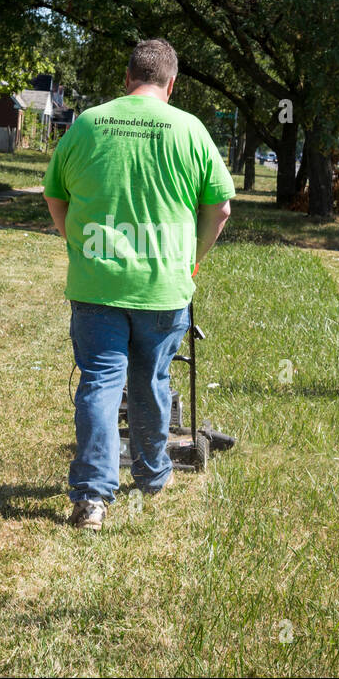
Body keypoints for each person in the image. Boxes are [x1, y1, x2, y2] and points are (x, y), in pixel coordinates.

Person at [43, 39, 234, 530]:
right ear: (171, 84)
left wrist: (76, 243)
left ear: (126, 79)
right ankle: (151, 474)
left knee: (101, 385)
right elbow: (221, 208)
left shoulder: (86, 123)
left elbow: (55, 195)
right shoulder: (189, 128)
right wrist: (193, 260)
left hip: (96, 284)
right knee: (151, 382)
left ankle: (90, 498)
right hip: (163, 286)